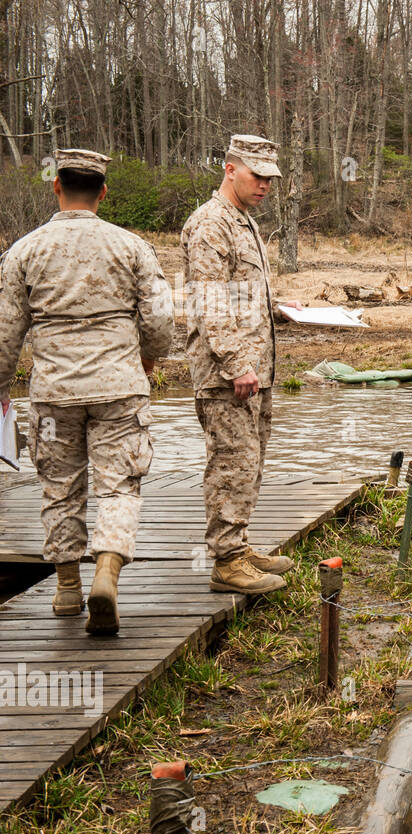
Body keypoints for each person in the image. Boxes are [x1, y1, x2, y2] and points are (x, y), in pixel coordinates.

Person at [0, 149, 173, 633]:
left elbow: (6, 330)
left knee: (59, 489)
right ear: (103, 192)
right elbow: (160, 320)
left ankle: (66, 589)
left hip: (54, 393)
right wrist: (148, 359)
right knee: (120, 483)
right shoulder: (133, 247)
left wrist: (0, 386)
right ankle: (107, 574)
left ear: (55, 185)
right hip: (119, 387)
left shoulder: (24, 251)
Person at [181, 134, 301, 594]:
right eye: (257, 175)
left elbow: (237, 293)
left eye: (271, 177)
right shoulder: (211, 224)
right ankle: (226, 562)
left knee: (249, 462)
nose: (266, 185)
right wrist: (235, 363)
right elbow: (210, 303)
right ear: (230, 169)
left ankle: (239, 544)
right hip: (227, 374)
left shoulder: (242, 221)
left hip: (254, 369)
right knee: (232, 462)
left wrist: (276, 306)